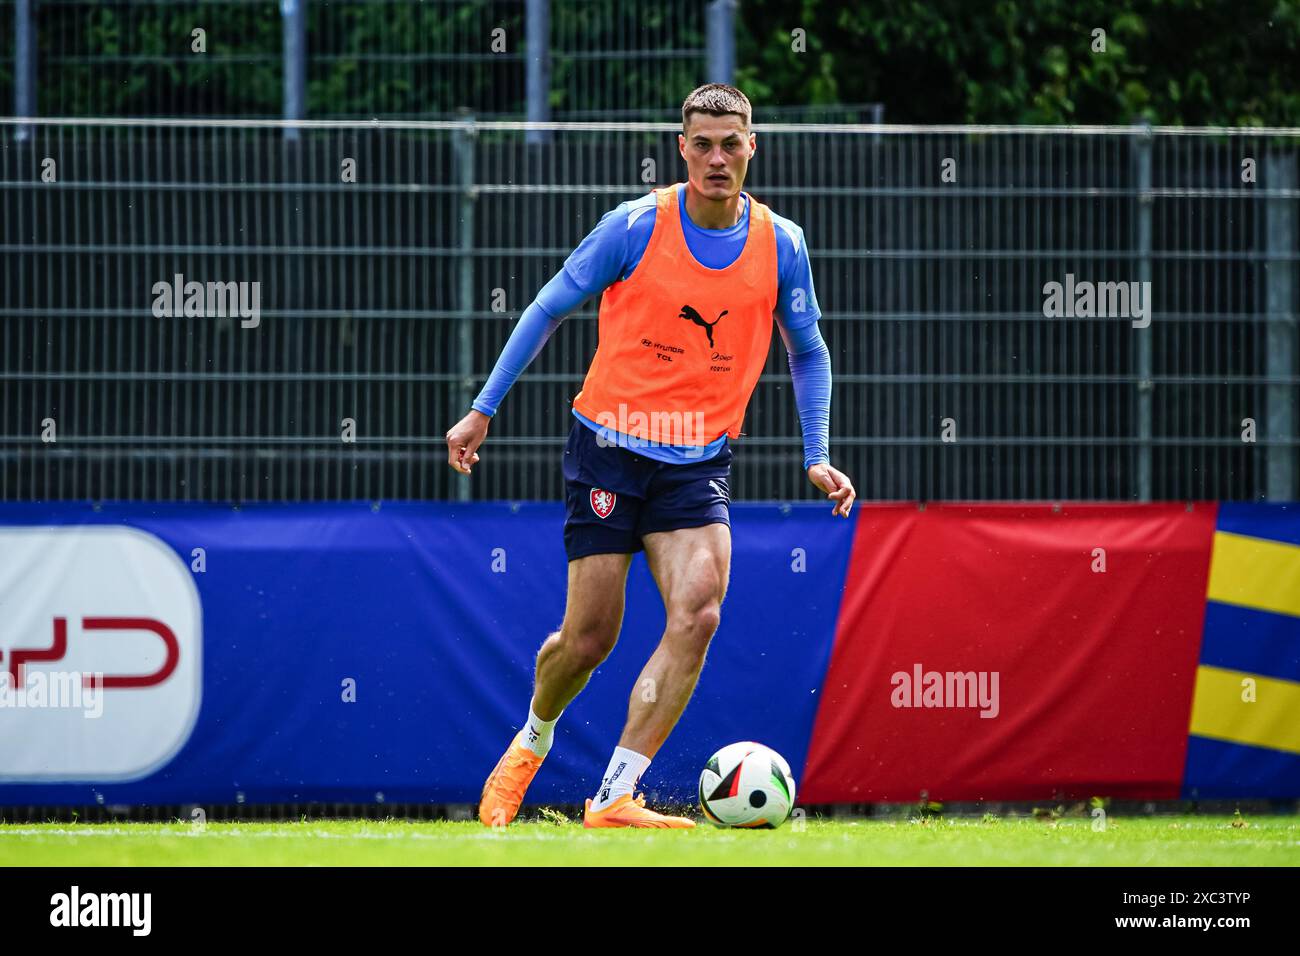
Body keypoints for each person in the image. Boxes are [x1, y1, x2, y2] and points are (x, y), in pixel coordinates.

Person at [444, 83, 855, 828]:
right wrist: (482, 409)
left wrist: (817, 453)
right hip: (607, 450)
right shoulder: (635, 225)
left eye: (732, 143)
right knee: (588, 639)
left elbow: (808, 351)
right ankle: (532, 740)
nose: (718, 158)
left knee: (698, 612)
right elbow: (545, 308)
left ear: (752, 147)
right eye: (703, 144)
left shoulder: (782, 243)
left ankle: (614, 797)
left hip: (697, 466)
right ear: (682, 149)